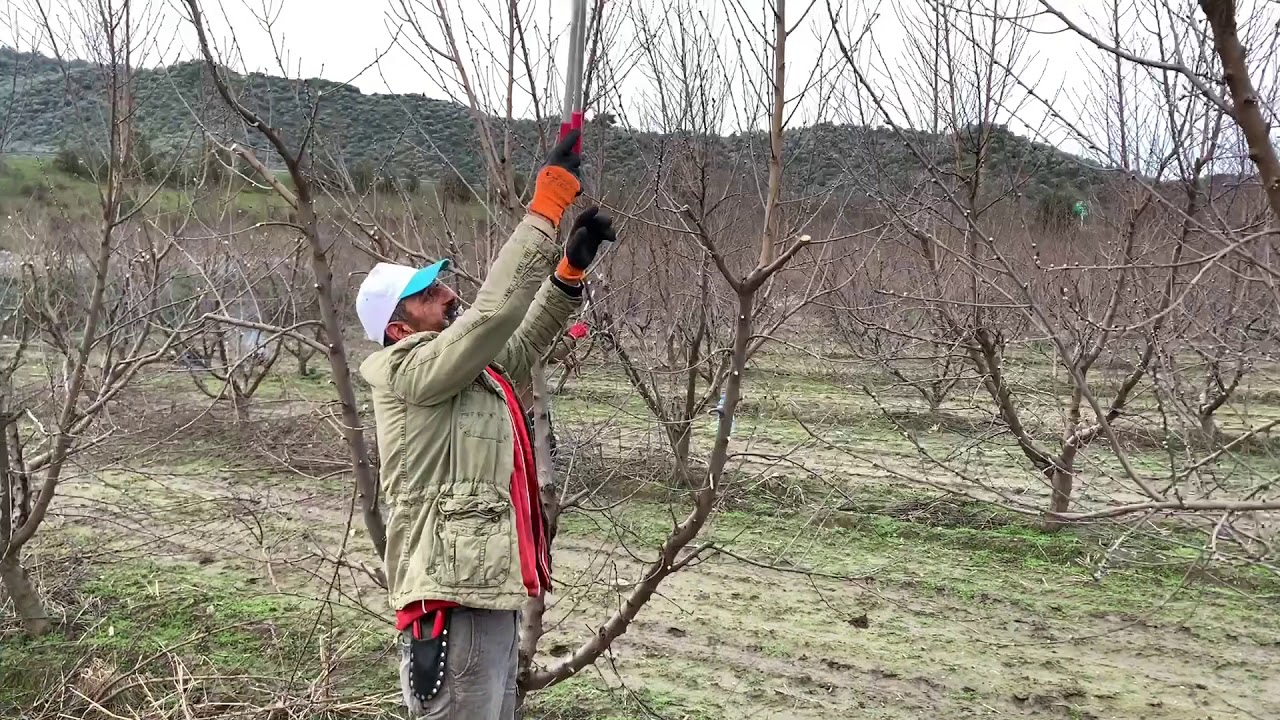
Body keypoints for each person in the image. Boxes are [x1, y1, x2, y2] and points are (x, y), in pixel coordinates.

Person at [354, 129, 616, 719]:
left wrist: (567, 275)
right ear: (398, 327)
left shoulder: (461, 370)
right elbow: (494, 314)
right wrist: (545, 209)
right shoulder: (408, 369)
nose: (450, 296)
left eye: (443, 284)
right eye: (429, 293)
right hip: (450, 602)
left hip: (483, 591)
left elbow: (517, 344)